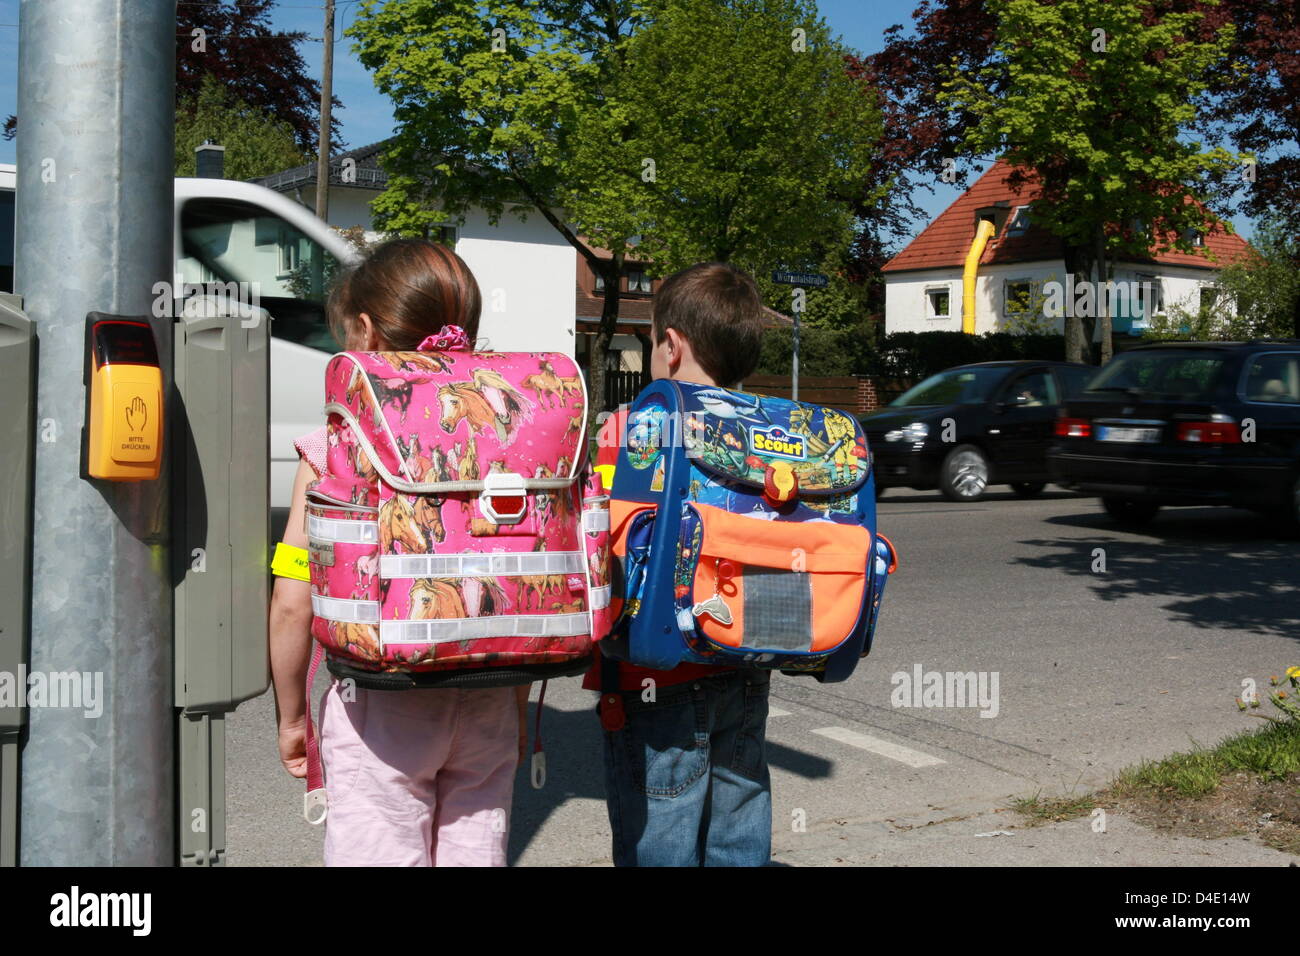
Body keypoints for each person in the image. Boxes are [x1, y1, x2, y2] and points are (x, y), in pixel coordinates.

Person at [269, 238, 530, 867]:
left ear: (364, 331)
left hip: (380, 704)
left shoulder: (332, 449)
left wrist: (291, 718)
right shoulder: (518, 437)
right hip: (490, 696)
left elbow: (290, 599)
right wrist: (517, 704)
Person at [585, 261, 772, 866]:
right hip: (747, 659)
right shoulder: (772, 432)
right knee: (739, 824)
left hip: (654, 673)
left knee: (659, 833)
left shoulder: (630, 428)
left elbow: (601, 548)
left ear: (670, 345)